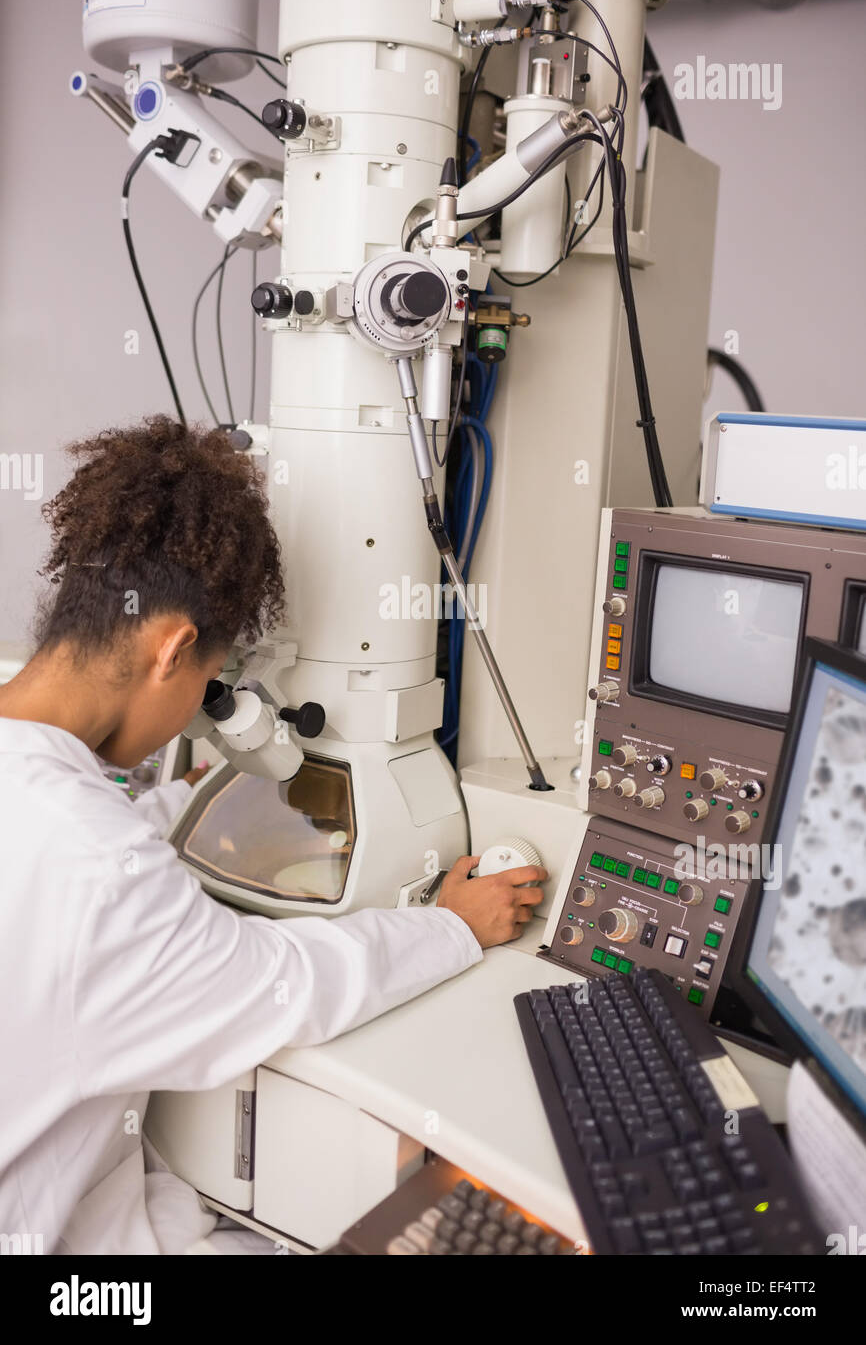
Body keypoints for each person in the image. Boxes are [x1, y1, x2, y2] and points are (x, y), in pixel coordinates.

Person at [0, 416, 546, 1255]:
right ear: (173, 648)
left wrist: (164, 808)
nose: (203, 708)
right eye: (212, 682)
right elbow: (282, 983)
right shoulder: (98, 868)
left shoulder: (65, 816)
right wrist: (452, 926)